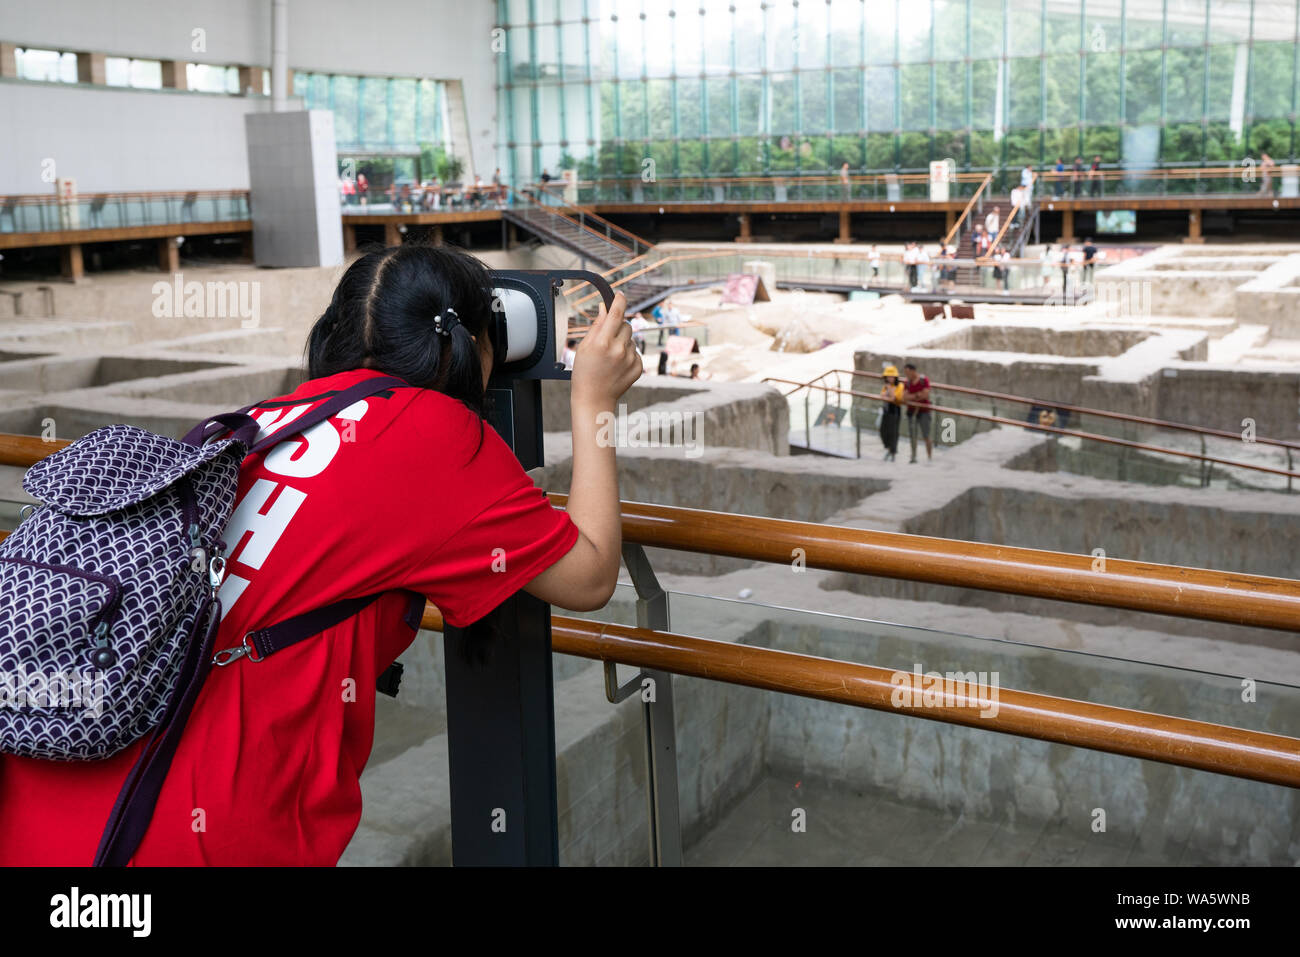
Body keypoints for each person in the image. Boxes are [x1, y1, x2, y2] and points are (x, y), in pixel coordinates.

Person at [0, 244, 643, 865]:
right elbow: (589, 577)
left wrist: (487, 511)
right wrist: (593, 401)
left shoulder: (267, 418)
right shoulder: (437, 433)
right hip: (187, 830)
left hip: (43, 805)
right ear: (471, 342)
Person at [902, 363, 933, 464]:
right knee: (912, 435)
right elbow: (904, 397)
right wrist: (917, 395)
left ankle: (929, 457)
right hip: (911, 411)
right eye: (905, 373)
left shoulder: (924, 380)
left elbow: (925, 395)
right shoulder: (907, 383)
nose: (907, 375)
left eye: (908, 372)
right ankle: (913, 456)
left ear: (913, 371)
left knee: (926, 435)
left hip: (924, 411)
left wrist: (912, 396)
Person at [878, 365, 904, 461]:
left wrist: (889, 391)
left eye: (891, 376)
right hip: (886, 410)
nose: (889, 378)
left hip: (895, 410)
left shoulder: (900, 386)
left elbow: (894, 398)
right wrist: (888, 394)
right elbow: (882, 396)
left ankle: (893, 453)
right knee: (883, 430)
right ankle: (889, 449)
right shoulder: (887, 386)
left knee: (893, 432)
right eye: (888, 377)